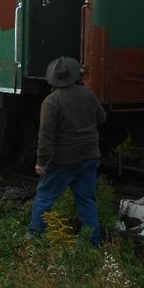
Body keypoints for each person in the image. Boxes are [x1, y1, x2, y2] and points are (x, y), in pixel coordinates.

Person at [28, 56, 107, 246]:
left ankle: (36, 239)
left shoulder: (52, 101)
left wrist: (41, 161)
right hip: (89, 156)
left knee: (45, 197)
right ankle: (92, 243)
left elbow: (46, 137)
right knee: (87, 200)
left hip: (63, 160)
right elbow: (102, 118)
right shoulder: (88, 94)